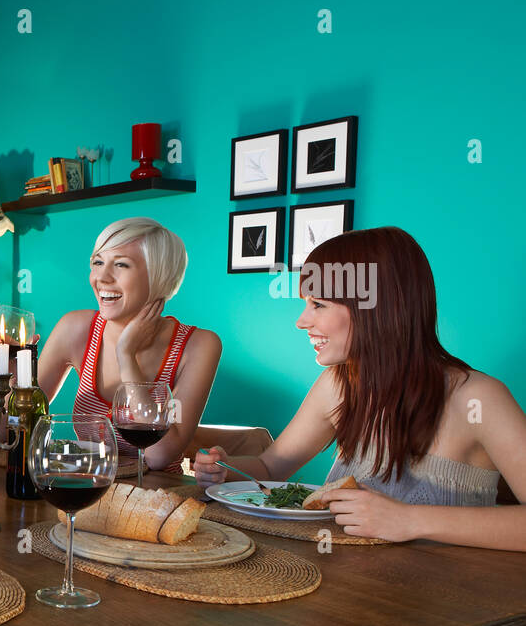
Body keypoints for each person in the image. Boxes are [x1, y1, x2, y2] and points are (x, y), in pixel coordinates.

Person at [193, 226, 526, 551]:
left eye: (318, 305)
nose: (302, 321)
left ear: (376, 307)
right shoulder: (339, 384)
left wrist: (409, 520)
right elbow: (270, 468)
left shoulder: (479, 399)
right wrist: (228, 471)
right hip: (348, 589)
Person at [0, 217, 222, 472]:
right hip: (82, 490)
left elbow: (158, 456)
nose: (102, 278)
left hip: (155, 498)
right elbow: (6, 434)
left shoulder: (198, 346)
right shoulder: (76, 328)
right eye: (98, 262)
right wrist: (11, 380)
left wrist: (126, 355)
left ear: (158, 278)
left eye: (121, 265)